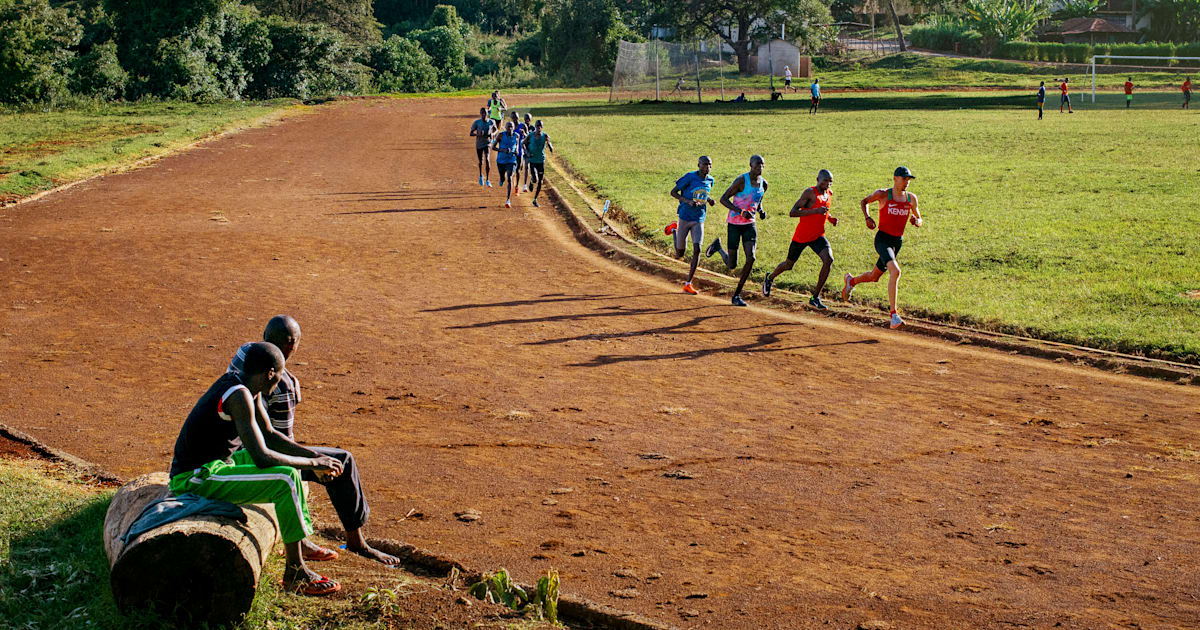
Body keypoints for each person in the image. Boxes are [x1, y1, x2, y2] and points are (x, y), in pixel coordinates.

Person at [168, 342, 344, 596]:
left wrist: (315, 455)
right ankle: (295, 573)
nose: (282, 379)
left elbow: (270, 436)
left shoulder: (248, 387)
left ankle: (299, 541)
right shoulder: (238, 396)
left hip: (217, 465)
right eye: (281, 374)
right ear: (270, 373)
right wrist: (313, 464)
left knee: (287, 470)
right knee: (286, 478)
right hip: (194, 478)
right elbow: (262, 457)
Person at [227, 316, 400, 568]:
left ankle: (308, 542)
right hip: (253, 453)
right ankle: (354, 541)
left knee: (324, 461)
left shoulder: (246, 352)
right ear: (291, 344)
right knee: (342, 461)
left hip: (233, 445)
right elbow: (280, 441)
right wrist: (315, 462)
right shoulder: (282, 385)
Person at [841, 166, 922, 329]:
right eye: (904, 179)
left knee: (874, 276)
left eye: (908, 180)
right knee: (896, 271)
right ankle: (894, 316)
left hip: (897, 242)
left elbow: (919, 218)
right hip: (882, 239)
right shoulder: (883, 194)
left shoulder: (911, 199)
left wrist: (916, 222)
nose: (907, 182)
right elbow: (864, 201)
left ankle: (851, 281)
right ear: (895, 178)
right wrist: (867, 217)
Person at [762, 169, 838, 309]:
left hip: (818, 236)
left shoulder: (829, 194)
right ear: (818, 179)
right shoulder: (809, 193)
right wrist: (815, 211)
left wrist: (830, 219)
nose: (827, 184)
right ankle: (770, 278)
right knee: (788, 265)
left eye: (830, 182)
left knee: (829, 260)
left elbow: (824, 210)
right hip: (801, 237)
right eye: (825, 181)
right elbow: (793, 212)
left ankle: (815, 297)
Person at [706, 155, 768, 307]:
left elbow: (757, 201)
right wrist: (740, 212)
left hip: (749, 225)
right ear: (750, 166)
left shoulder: (764, 184)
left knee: (751, 258)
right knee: (731, 264)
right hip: (734, 224)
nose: (760, 168)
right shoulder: (741, 181)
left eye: (762, 165)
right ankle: (718, 248)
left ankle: (737, 295)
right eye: (757, 165)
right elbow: (723, 199)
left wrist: (760, 210)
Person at [667, 156, 716, 295]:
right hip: (684, 216)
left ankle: (688, 283)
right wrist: (687, 201)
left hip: (699, 219)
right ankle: (674, 230)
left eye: (709, 165)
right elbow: (673, 192)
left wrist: (710, 200)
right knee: (680, 253)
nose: (707, 167)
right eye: (704, 164)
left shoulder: (710, 180)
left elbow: (703, 195)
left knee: (697, 249)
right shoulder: (690, 177)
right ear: (698, 165)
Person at [525, 119, 554, 208]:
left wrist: (550, 146)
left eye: (540, 126)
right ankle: (532, 181)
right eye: (537, 126)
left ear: (542, 127)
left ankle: (535, 199)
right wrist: (527, 152)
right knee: (535, 179)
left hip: (541, 160)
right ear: (535, 126)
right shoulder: (530, 135)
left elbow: (550, 144)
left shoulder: (545, 136)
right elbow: (523, 144)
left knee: (540, 181)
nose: (539, 128)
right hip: (533, 160)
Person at [491, 120, 520, 208]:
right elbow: (493, 147)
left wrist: (516, 151)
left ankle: (508, 200)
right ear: (505, 128)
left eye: (511, 127)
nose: (510, 128)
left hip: (511, 160)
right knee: (503, 178)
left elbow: (517, 145)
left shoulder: (516, 136)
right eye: (508, 127)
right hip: (501, 161)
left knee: (510, 178)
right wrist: (502, 150)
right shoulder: (501, 135)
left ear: (514, 128)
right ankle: (501, 179)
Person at [470, 107, 495, 187]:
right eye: (482, 113)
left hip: (487, 143)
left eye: (485, 113)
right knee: (481, 161)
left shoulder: (491, 122)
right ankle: (481, 175)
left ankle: (488, 179)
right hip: (479, 144)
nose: (484, 114)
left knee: (487, 159)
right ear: (480, 114)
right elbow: (471, 133)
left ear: (487, 113)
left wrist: (493, 134)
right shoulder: (477, 122)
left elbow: (496, 130)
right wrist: (478, 134)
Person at [509, 111, 528, 195]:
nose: (515, 119)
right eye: (513, 118)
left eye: (516, 117)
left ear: (518, 117)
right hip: (512, 151)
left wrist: (524, 133)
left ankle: (516, 186)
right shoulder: (510, 126)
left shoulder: (523, 126)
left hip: (520, 151)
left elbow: (528, 136)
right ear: (511, 118)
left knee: (518, 170)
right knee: (512, 169)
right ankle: (513, 183)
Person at [521, 112, 535, 192]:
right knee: (525, 167)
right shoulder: (522, 127)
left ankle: (531, 182)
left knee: (532, 168)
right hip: (524, 149)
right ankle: (525, 185)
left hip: (532, 149)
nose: (527, 120)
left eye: (528, 119)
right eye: (526, 119)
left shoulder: (533, 128)